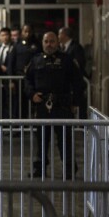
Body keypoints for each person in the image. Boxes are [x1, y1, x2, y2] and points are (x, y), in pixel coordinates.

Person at [24, 31, 84, 179]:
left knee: (65, 140)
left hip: (62, 105)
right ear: (42, 43)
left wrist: (75, 102)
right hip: (42, 106)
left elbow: (78, 82)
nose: (49, 44)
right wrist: (32, 94)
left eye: (52, 41)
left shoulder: (67, 60)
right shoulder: (36, 60)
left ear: (58, 43)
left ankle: (69, 170)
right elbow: (27, 81)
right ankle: (40, 169)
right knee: (41, 140)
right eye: (46, 42)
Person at [8, 23, 39, 119]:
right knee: (19, 104)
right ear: (22, 33)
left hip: (33, 79)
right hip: (19, 79)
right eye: (25, 31)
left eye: (29, 31)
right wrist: (11, 81)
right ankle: (18, 128)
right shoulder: (16, 45)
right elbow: (10, 63)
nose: (28, 33)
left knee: (34, 103)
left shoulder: (37, 45)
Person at [58, 26, 88, 118]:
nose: (58, 36)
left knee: (79, 106)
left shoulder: (76, 47)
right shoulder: (62, 48)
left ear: (65, 35)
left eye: (59, 34)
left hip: (76, 82)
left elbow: (79, 64)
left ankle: (82, 128)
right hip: (67, 84)